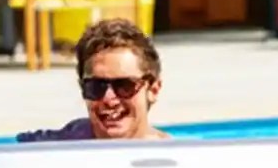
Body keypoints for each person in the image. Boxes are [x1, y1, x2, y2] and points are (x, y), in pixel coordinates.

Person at [17, 19, 167, 142]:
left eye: (124, 86)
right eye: (96, 87)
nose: (109, 99)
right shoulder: (66, 143)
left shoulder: (176, 161)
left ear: (153, 90)